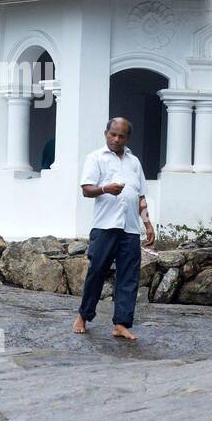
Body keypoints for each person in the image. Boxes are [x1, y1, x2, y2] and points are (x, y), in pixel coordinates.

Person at [74, 118, 154, 341]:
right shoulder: (95, 158)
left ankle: (121, 324)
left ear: (127, 138)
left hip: (130, 228)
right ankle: (83, 316)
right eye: (113, 134)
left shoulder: (134, 162)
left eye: (121, 136)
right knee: (97, 271)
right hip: (105, 226)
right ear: (106, 133)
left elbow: (141, 197)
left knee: (129, 276)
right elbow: (86, 190)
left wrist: (147, 224)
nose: (117, 139)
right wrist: (105, 189)